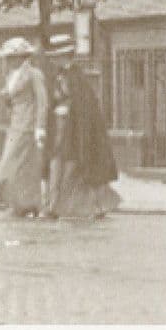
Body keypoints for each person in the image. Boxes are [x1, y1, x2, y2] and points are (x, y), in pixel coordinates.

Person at [44, 46, 120, 220]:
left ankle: (62, 207)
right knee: (64, 166)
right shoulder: (61, 75)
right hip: (62, 126)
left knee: (74, 168)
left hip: (72, 129)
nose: (54, 61)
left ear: (65, 57)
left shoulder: (76, 77)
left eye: (56, 57)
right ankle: (57, 206)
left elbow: (81, 105)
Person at [0, 37, 47, 217]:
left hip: (29, 126)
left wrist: (40, 127)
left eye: (10, 57)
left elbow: (43, 102)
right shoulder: (10, 75)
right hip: (15, 125)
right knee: (15, 165)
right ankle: (20, 203)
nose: (7, 61)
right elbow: (11, 101)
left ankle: (27, 204)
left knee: (21, 166)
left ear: (20, 57)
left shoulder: (34, 74)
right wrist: (6, 98)